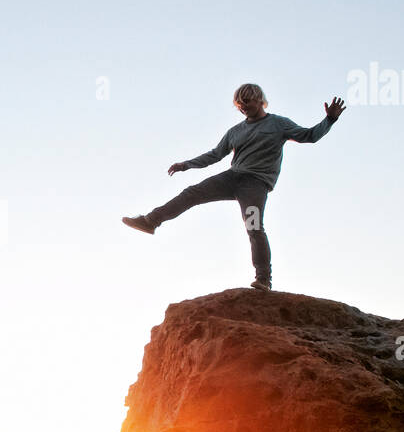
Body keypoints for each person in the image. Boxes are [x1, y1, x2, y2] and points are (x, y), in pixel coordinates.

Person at [122, 83, 346, 290]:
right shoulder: (235, 131)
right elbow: (215, 154)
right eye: (240, 105)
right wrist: (186, 164)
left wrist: (329, 120)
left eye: (247, 103)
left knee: (254, 226)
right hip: (232, 178)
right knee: (191, 193)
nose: (243, 108)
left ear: (260, 100)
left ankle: (263, 279)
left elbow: (310, 136)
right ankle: (150, 221)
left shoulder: (278, 124)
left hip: (255, 184)